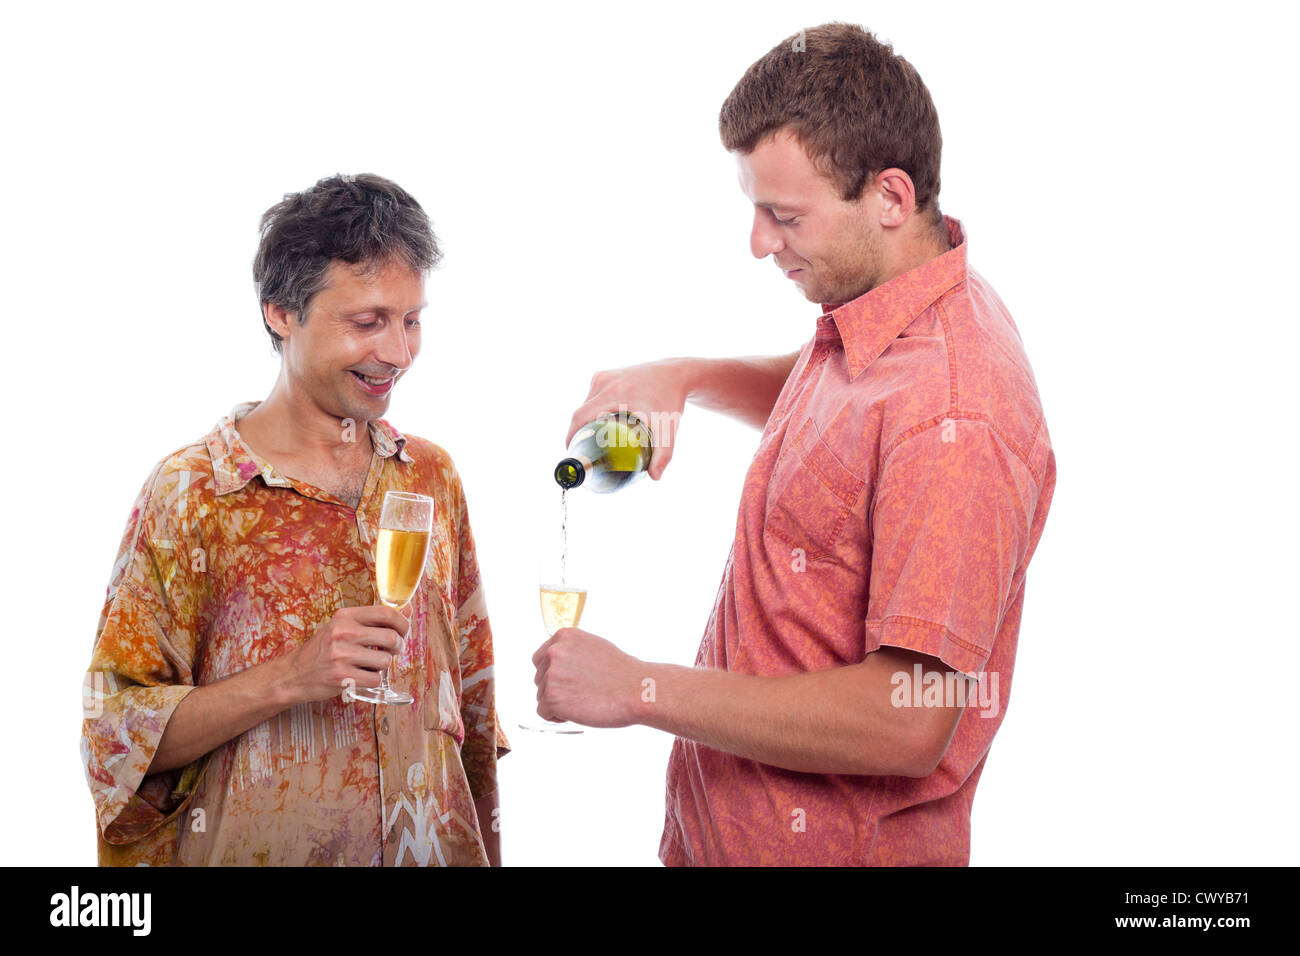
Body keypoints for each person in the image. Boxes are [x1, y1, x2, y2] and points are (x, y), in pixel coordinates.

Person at [532, 23, 1056, 865]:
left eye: (783, 215)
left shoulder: (958, 417)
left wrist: (637, 687)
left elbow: (908, 717)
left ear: (889, 196)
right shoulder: (901, 303)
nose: (758, 242)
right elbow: (848, 414)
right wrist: (687, 376)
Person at [81, 173, 508, 866]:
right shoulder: (192, 493)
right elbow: (116, 734)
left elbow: (476, 720)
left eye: (412, 319)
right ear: (281, 312)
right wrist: (292, 676)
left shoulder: (431, 476)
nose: (398, 352)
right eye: (367, 322)